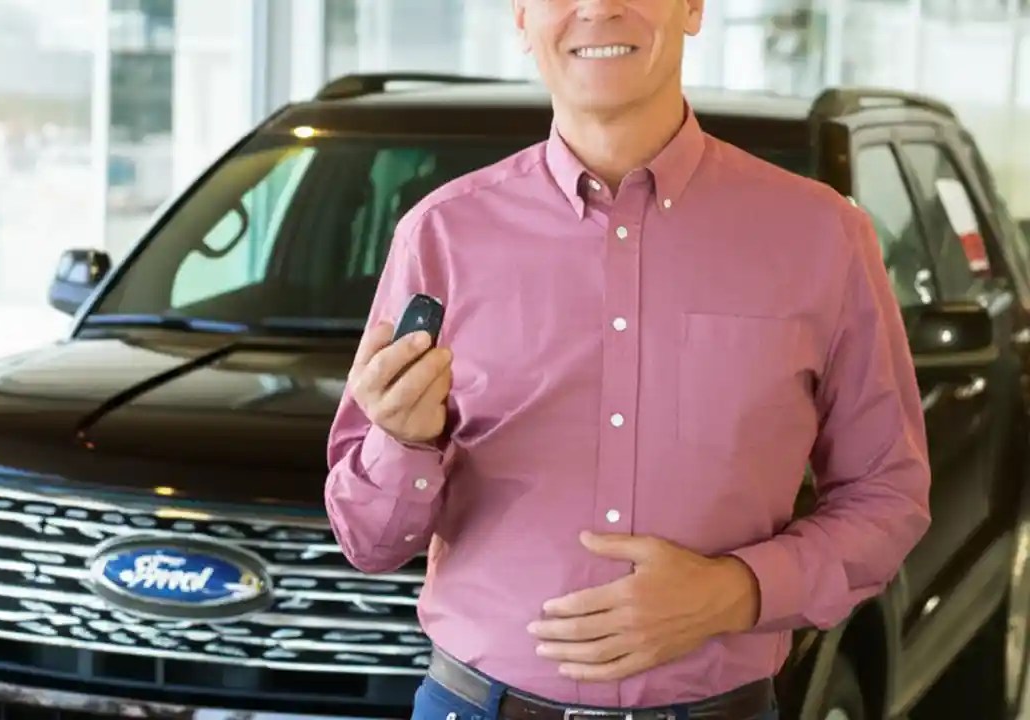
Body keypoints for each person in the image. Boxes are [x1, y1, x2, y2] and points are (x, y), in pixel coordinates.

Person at [324, 0, 932, 718]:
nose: (597, 8)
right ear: (521, 16)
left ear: (694, 8)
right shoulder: (441, 236)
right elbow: (367, 540)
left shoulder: (823, 235)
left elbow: (888, 496)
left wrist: (734, 591)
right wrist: (403, 441)